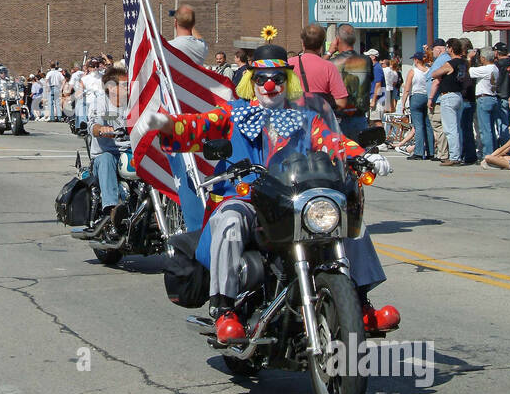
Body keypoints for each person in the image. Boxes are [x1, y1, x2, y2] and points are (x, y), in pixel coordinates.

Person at [149, 43, 395, 344]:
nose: (269, 85)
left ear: (287, 80)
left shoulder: (305, 116)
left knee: (346, 220)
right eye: (262, 78)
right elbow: (201, 126)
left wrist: (361, 155)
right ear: (251, 82)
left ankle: (359, 303)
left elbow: (331, 139)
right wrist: (169, 124)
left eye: (277, 78)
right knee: (229, 223)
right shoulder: (235, 113)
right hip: (245, 198)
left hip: (290, 198)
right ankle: (224, 307)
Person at [82, 67, 128, 239]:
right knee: (107, 159)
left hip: (129, 151)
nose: (128, 87)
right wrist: (101, 129)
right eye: (124, 84)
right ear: (111, 87)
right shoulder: (100, 102)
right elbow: (93, 125)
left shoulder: (134, 103)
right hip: (107, 153)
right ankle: (112, 209)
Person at [328, 24, 373, 139]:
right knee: (359, 153)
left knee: (339, 154)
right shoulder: (366, 61)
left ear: (337, 40)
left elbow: (316, 68)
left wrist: (329, 53)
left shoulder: (331, 63)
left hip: (338, 119)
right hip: (359, 117)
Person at [430, 39, 468, 165]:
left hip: (448, 96)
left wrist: (440, 72)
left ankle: (454, 157)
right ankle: (458, 154)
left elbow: (434, 74)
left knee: (450, 129)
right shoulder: (463, 63)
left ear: (451, 48)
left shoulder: (450, 63)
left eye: (447, 47)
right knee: (457, 128)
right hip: (458, 95)